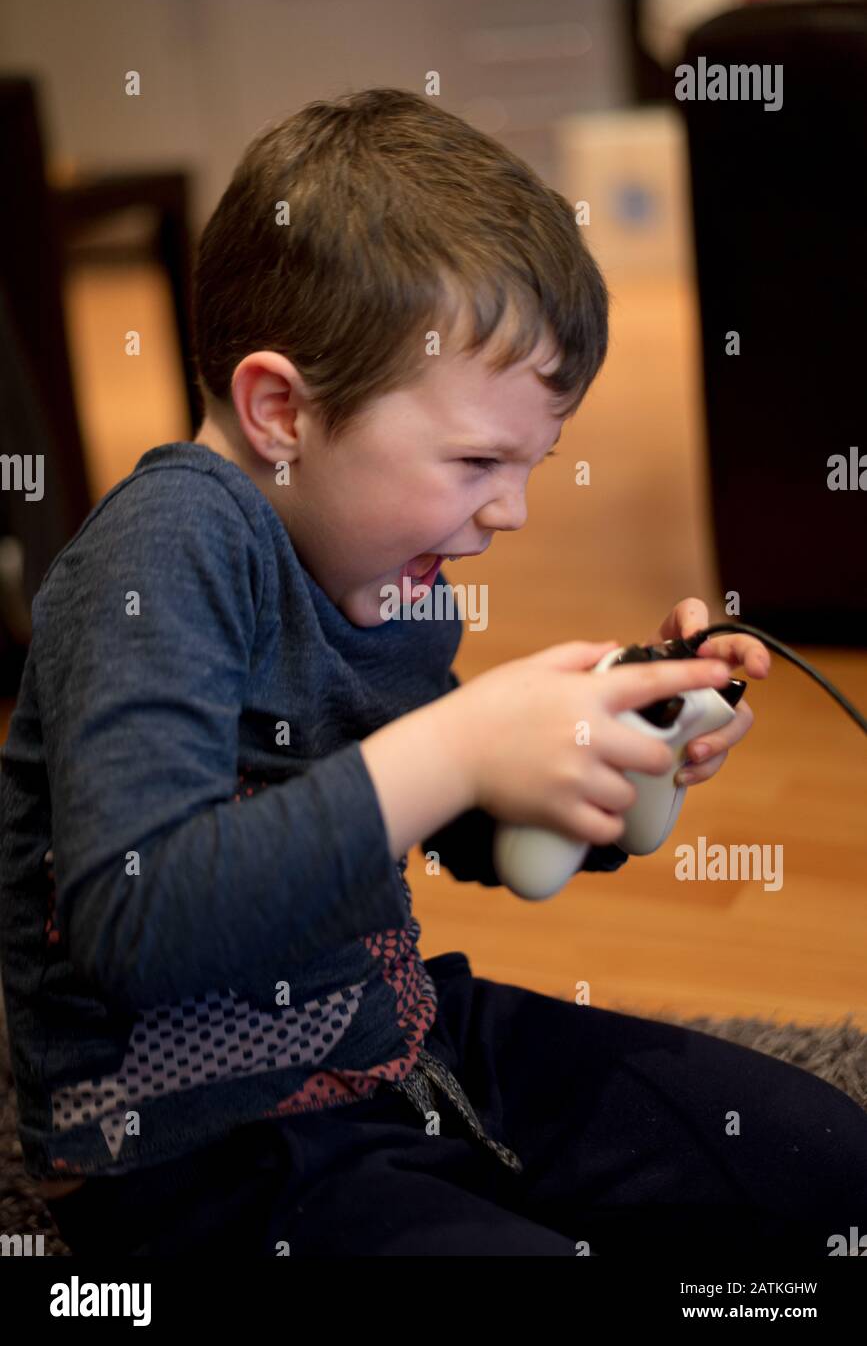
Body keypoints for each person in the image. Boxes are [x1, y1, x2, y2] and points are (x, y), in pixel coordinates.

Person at [2, 88, 864, 1258]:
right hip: (191, 1150)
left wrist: (599, 760)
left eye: (532, 462)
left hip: (395, 1046)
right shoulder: (161, 553)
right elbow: (138, 918)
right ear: (279, 410)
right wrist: (463, 741)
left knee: (830, 1163)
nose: (509, 510)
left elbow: (457, 830)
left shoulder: (389, 574)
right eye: (475, 459)